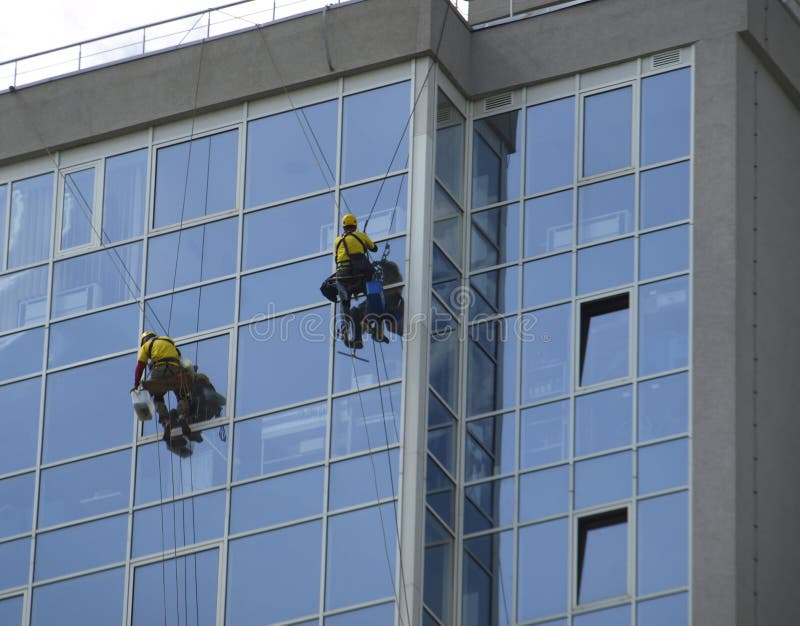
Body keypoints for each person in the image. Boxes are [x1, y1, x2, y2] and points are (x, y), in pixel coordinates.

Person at [131, 331, 202, 444]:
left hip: (159, 370)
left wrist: (136, 384)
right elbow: (179, 358)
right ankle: (183, 416)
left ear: (144, 340)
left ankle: (165, 422)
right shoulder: (168, 341)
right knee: (181, 394)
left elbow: (140, 367)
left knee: (158, 397)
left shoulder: (146, 346)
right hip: (175, 370)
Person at [334, 214, 377, 349]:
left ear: (344, 226)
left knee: (345, 302)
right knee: (370, 291)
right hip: (359, 275)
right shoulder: (360, 236)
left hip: (343, 276)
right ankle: (367, 318)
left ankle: (345, 326)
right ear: (355, 225)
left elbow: (337, 257)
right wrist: (363, 240)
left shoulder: (337, 240)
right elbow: (374, 248)